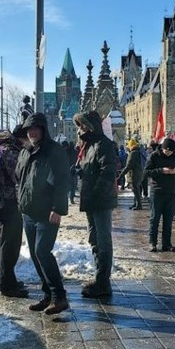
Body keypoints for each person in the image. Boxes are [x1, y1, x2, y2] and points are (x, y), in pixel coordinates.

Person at [15, 112, 71, 315]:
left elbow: (63, 181)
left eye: (35, 128)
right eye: (29, 129)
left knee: (42, 251)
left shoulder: (53, 151)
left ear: (43, 130)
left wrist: (58, 208)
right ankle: (48, 295)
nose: (32, 133)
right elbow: (18, 179)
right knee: (34, 254)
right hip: (28, 212)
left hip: (48, 213)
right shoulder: (25, 152)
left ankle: (59, 296)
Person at [73, 110, 119, 298]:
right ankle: (100, 277)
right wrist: (81, 171)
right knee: (94, 239)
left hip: (100, 200)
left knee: (103, 240)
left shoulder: (104, 144)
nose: (80, 129)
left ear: (92, 126)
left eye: (83, 125)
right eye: (79, 125)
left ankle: (103, 282)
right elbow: (92, 169)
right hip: (91, 199)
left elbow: (108, 172)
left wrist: (96, 192)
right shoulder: (88, 145)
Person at [0, 124, 29, 297]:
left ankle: (6, 280)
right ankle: (7, 285)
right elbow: (17, 178)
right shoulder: (12, 153)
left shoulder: (5, 150)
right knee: (9, 246)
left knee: (6, 243)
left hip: (4, 203)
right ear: (21, 138)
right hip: (10, 203)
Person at [144, 137, 175, 252]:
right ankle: (152, 242)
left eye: (171, 151)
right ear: (162, 148)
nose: (168, 153)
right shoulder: (154, 156)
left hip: (171, 192)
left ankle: (167, 243)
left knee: (168, 220)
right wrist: (161, 170)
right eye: (167, 151)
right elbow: (146, 172)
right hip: (157, 192)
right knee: (155, 219)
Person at [118, 139, 145, 210]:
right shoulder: (139, 151)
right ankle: (136, 203)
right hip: (140, 172)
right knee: (136, 188)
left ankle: (138, 205)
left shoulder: (133, 153)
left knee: (135, 189)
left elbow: (129, 166)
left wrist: (121, 175)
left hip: (134, 174)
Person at [63, 140, 79, 205]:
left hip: (67, 171)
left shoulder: (64, 152)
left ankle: (67, 200)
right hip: (73, 171)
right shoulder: (75, 152)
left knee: (67, 187)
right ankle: (71, 199)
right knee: (73, 186)